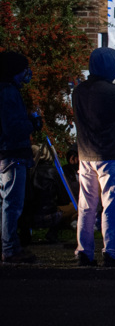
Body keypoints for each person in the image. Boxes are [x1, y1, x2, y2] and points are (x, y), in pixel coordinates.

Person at [72, 47, 115, 267]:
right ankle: (111, 252)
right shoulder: (113, 91)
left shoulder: (79, 91)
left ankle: (84, 251)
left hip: (85, 153)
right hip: (109, 155)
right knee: (111, 205)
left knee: (86, 205)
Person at [1, 51, 40, 264]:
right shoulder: (8, 92)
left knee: (7, 202)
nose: (27, 73)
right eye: (24, 68)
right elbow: (12, 127)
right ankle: (10, 248)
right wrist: (31, 123)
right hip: (12, 154)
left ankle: (8, 244)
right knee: (12, 203)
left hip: (6, 153)